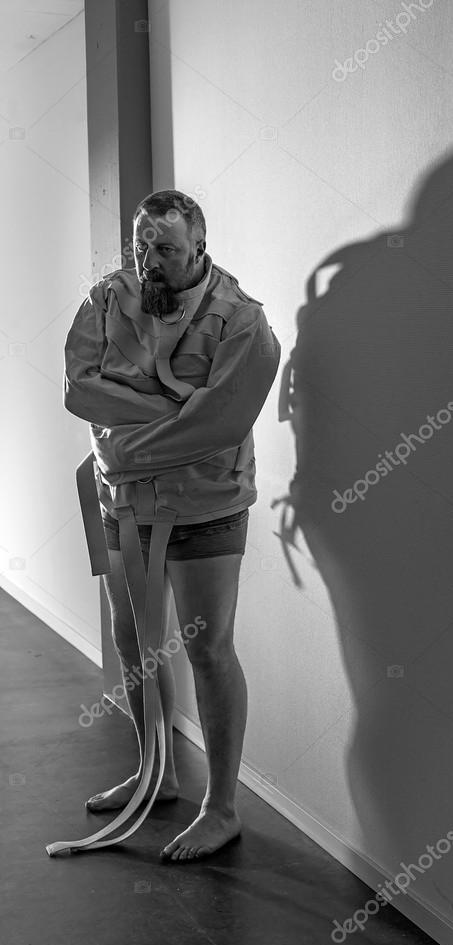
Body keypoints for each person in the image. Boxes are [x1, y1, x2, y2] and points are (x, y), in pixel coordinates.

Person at [62, 189, 281, 861]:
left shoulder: (244, 324)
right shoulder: (105, 300)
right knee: (132, 640)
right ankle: (153, 771)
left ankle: (221, 807)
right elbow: (79, 388)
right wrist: (170, 407)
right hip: (119, 503)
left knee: (208, 647)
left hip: (205, 508)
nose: (148, 261)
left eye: (165, 249)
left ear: (198, 250)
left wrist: (126, 440)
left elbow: (221, 424)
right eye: (140, 246)